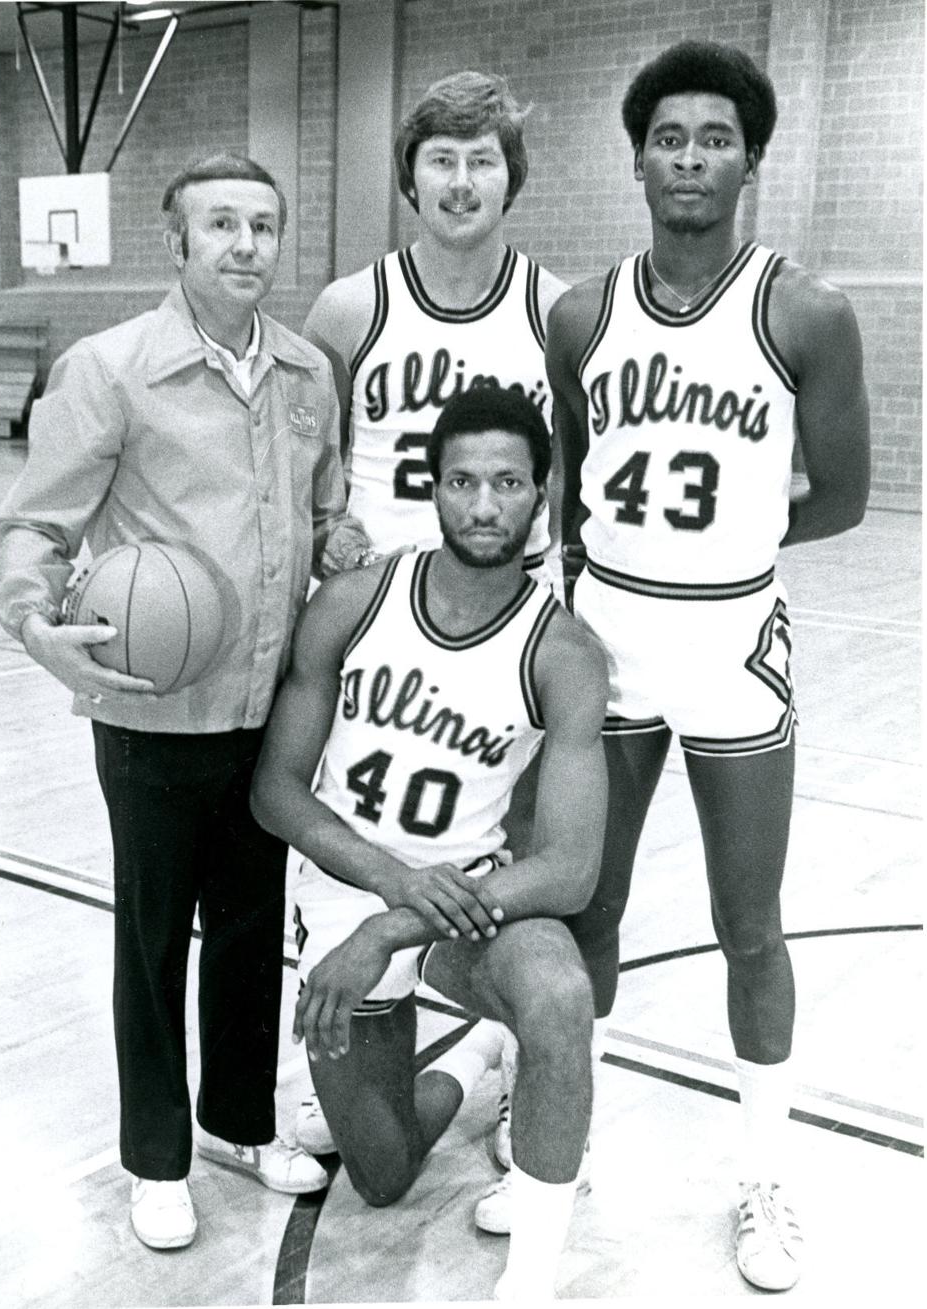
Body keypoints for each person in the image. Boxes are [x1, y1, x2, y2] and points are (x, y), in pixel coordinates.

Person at [0, 154, 372, 1251]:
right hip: (152, 712)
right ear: (177, 243)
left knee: (254, 932)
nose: (246, 245)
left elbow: (323, 498)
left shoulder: (307, 371)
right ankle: (155, 1156)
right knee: (154, 938)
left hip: (271, 709)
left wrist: (336, 532)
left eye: (263, 225)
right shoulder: (108, 371)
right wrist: (33, 621)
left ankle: (239, 1123)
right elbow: (34, 522)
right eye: (222, 226)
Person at [542, 41, 870, 1291]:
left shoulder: (806, 311)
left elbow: (841, 495)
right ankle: (558, 1158)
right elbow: (573, 481)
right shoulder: (583, 314)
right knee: (590, 911)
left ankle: (765, 1175)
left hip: (733, 637)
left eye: (715, 137)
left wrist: (734, 540)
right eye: (669, 136)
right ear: (636, 159)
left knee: (750, 924)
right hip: (609, 639)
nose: (690, 156)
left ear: (751, 159)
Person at [249, 386, 609, 1302]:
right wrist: (386, 892)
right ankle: (476, 1049)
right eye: (463, 481)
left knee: (560, 993)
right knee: (381, 1174)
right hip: (346, 886)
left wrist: (392, 925)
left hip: (462, 904)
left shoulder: (560, 650)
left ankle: (528, 1280)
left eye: (508, 483)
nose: (485, 506)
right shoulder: (355, 602)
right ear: (432, 486)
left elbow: (570, 868)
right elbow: (276, 789)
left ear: (542, 492)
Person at [298, 66, 568, 1160]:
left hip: (510, 630)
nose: (462, 181)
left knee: (532, 857)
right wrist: (325, 530)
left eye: (483, 159)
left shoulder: (558, 311)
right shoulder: (350, 306)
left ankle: (520, 1062)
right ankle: (368, 1037)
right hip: (375, 632)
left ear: (513, 179)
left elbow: (578, 474)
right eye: (441, 159)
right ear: (409, 178)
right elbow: (304, 457)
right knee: (356, 838)